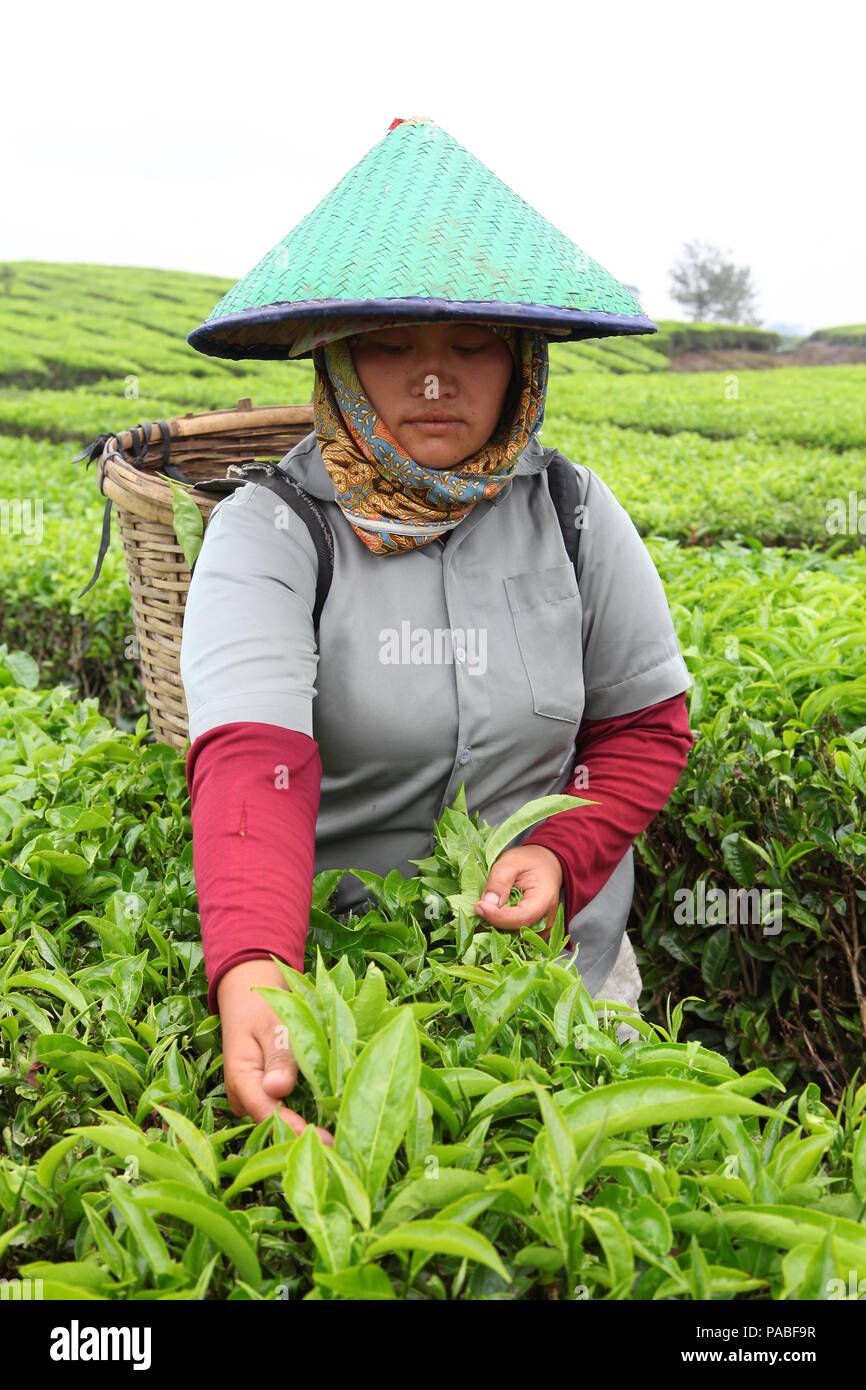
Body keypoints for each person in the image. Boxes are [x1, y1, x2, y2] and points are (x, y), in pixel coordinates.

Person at [180, 118, 694, 1144]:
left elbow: (643, 727)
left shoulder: (574, 512)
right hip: (354, 1004)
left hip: (564, 987)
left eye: (470, 347)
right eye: (391, 345)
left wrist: (560, 850)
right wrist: (255, 965)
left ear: (521, 364)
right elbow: (254, 764)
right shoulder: (271, 530)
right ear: (333, 360)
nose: (433, 380)